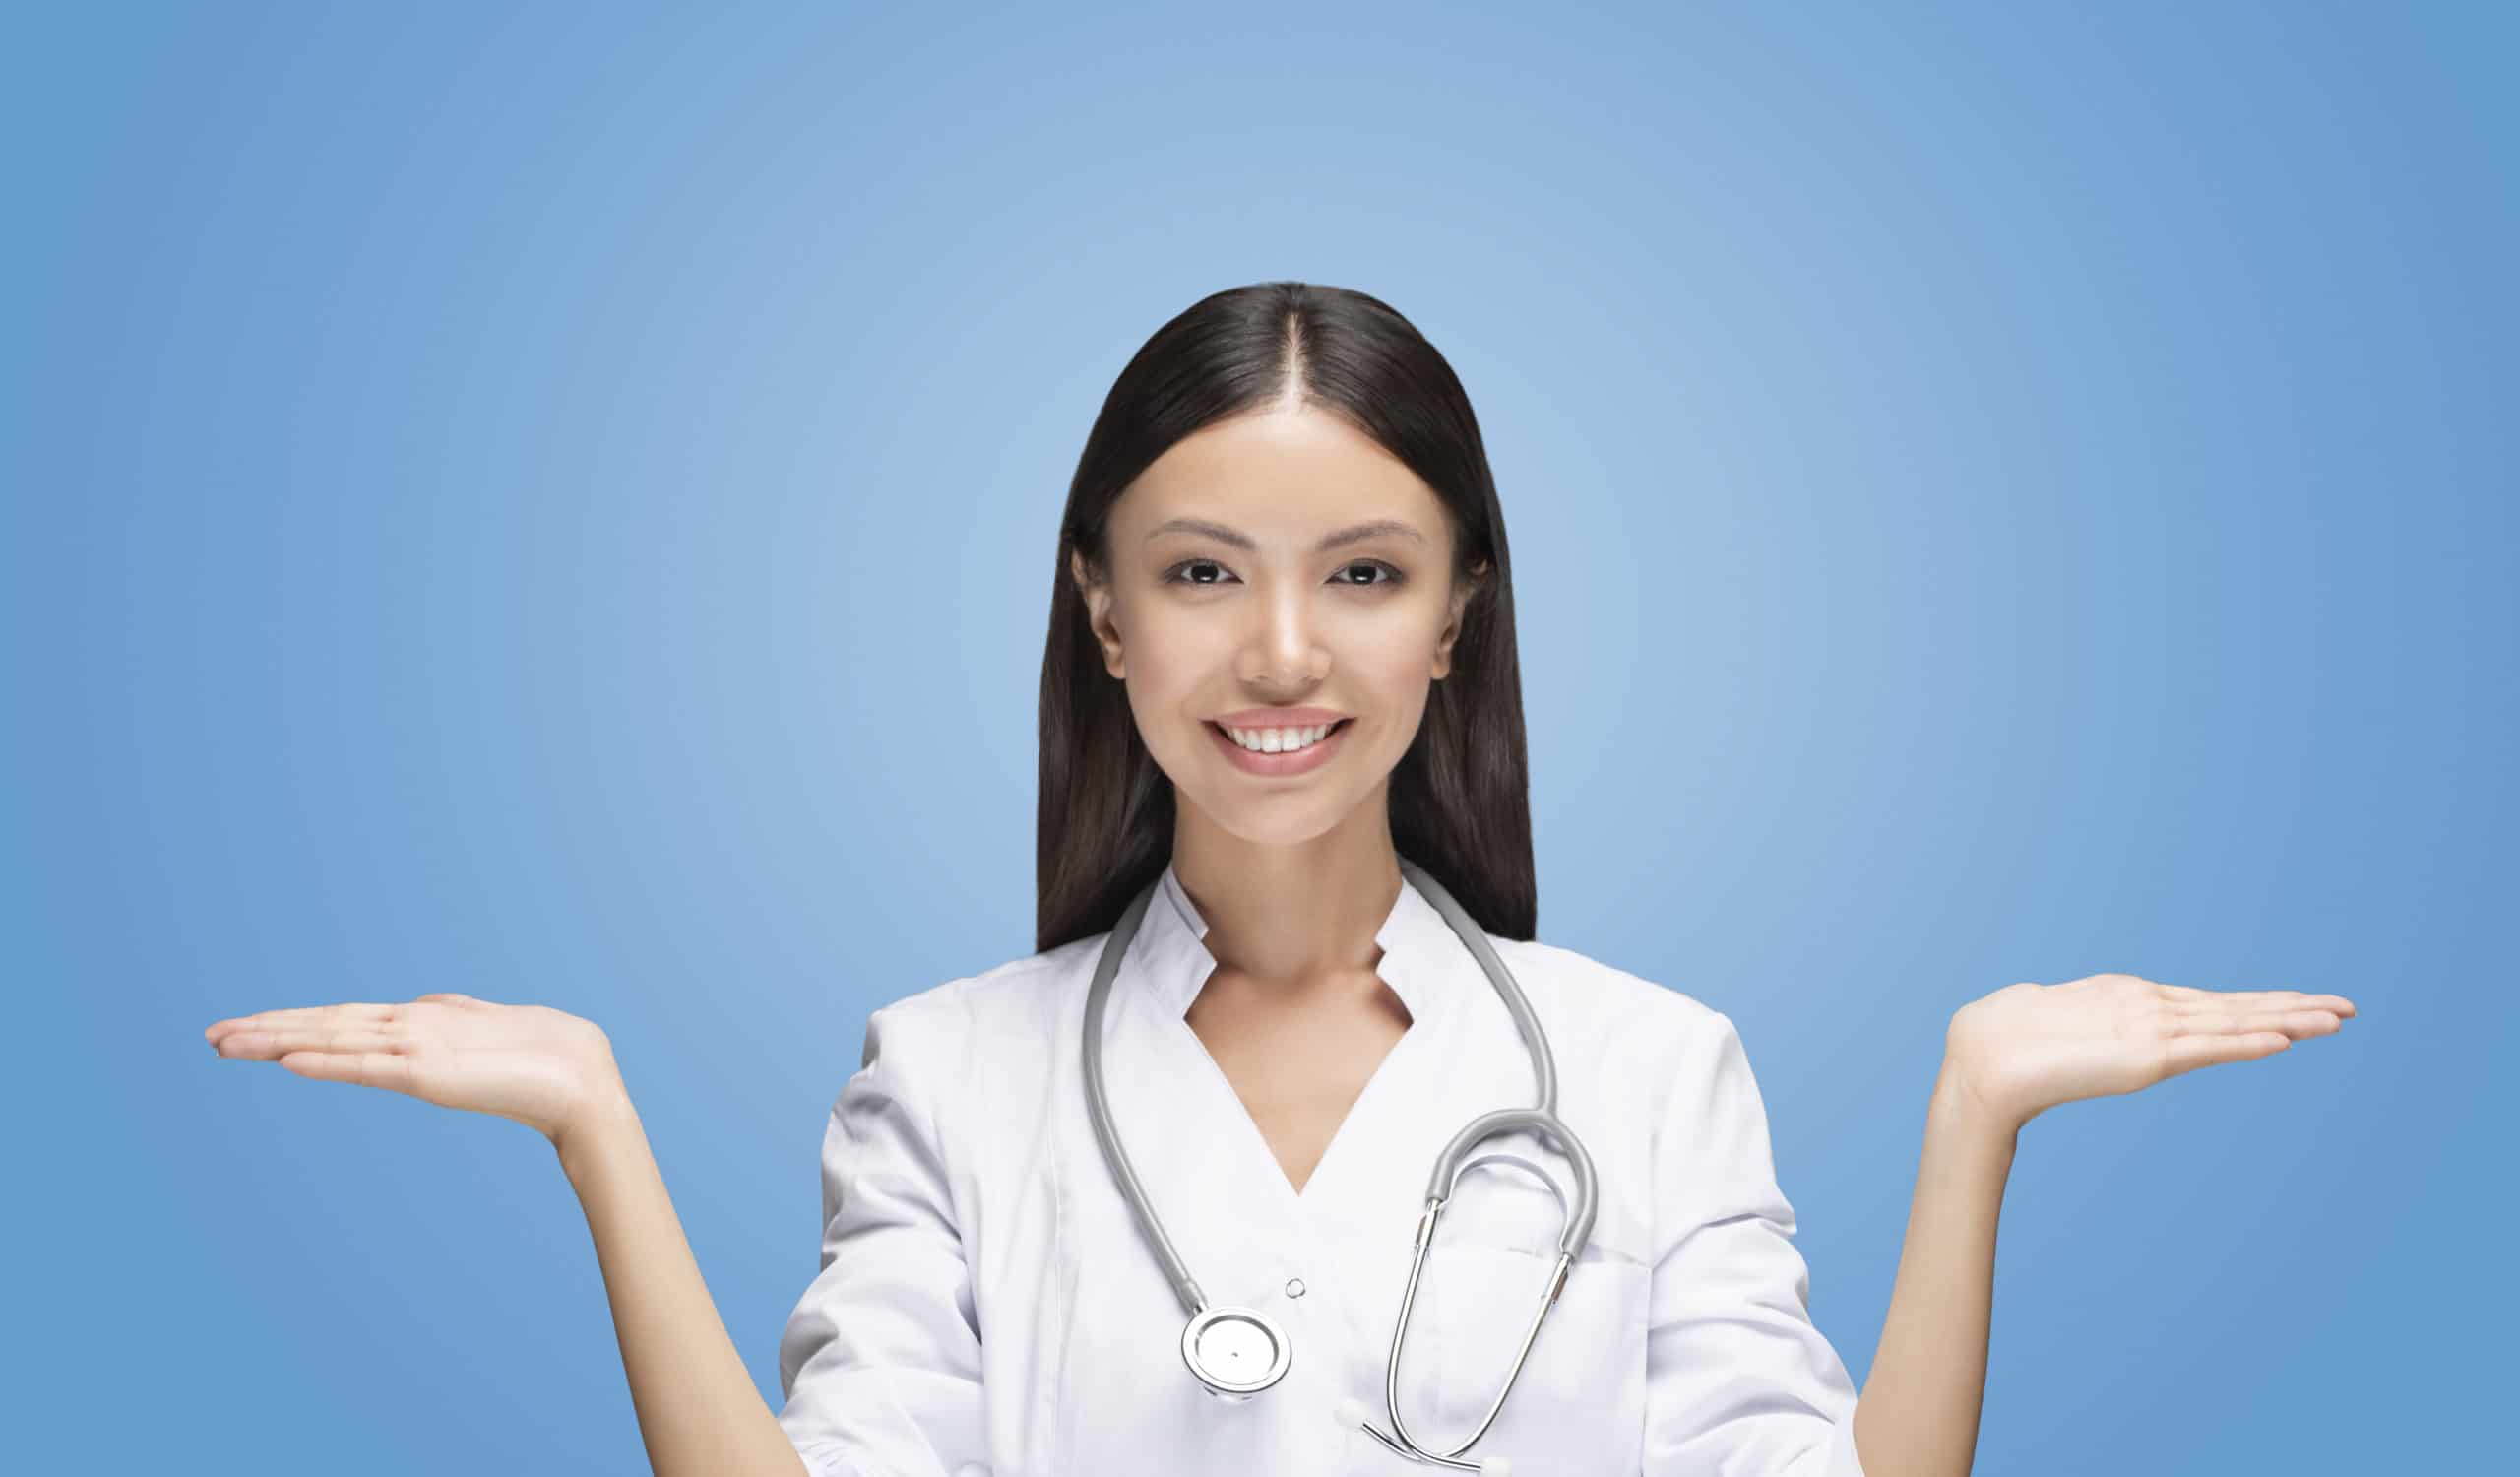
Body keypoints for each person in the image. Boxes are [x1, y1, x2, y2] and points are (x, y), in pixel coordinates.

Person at [202, 281, 2357, 1477]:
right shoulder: (948, 1077)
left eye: (1361, 574)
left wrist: (1974, 1113)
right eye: (1203, 573)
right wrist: (598, 1126)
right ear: (1103, 615)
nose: (1283, 655)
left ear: (1455, 622)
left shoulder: (1645, 1063)